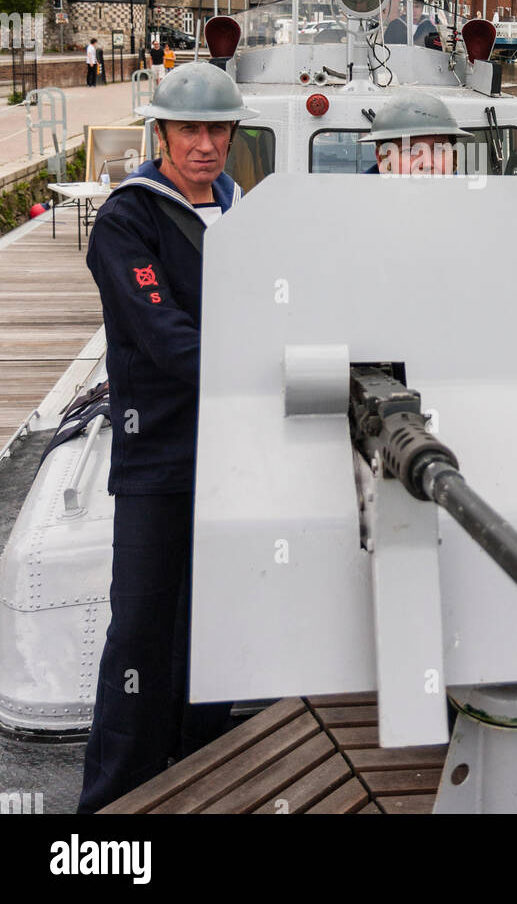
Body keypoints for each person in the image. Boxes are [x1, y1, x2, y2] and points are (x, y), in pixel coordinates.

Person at [77, 61, 259, 813]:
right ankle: (114, 799)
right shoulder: (128, 219)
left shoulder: (241, 210)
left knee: (214, 624)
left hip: (231, 459)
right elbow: (164, 337)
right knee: (142, 630)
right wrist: (264, 369)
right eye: (191, 129)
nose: (206, 144)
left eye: (219, 129)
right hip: (158, 456)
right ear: (162, 132)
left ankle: (199, 773)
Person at [360, 90, 473, 176]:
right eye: (409, 150)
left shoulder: (475, 203)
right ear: (382, 160)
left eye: (439, 149)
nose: (427, 164)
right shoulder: (353, 203)